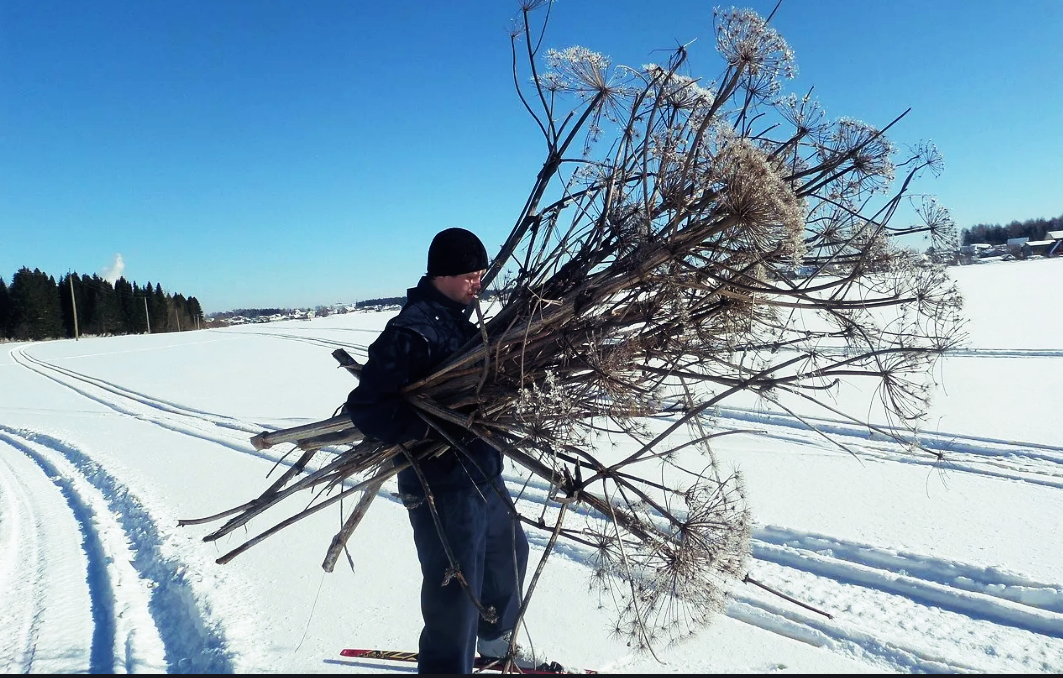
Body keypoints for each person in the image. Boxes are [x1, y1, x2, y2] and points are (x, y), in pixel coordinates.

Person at [345, 228, 551, 674]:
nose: (479, 282)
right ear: (441, 274)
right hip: (438, 482)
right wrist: (431, 426)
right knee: (454, 591)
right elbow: (367, 408)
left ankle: (496, 643)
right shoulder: (410, 332)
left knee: (509, 554)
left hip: (481, 471)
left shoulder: (460, 319)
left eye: (481, 273)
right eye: (470, 274)